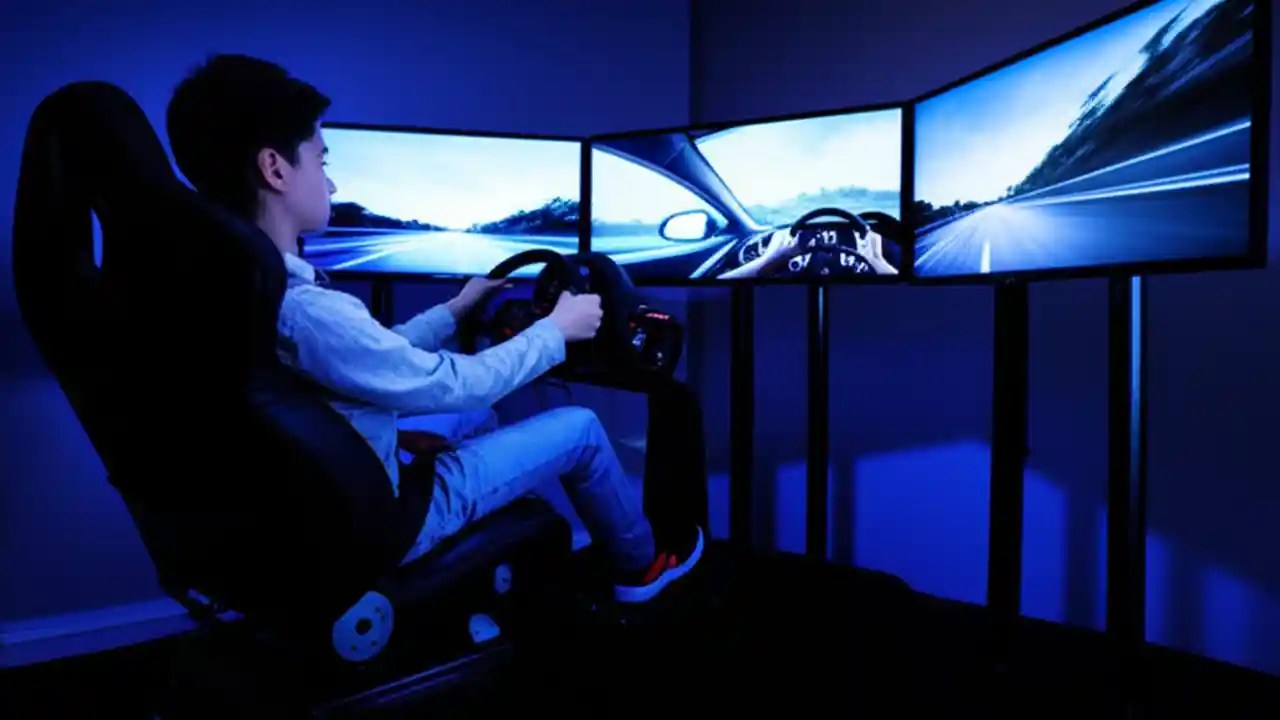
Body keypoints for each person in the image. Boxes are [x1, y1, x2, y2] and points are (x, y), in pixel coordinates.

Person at [165, 53, 702, 603]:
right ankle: (641, 570)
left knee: (479, 417)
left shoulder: (239, 286)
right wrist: (556, 330)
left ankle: (494, 560)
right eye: (321, 159)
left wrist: (455, 310)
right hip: (382, 520)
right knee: (581, 426)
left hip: (312, 496)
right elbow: (456, 381)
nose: (330, 181)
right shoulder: (305, 309)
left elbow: (376, 358)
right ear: (275, 169)